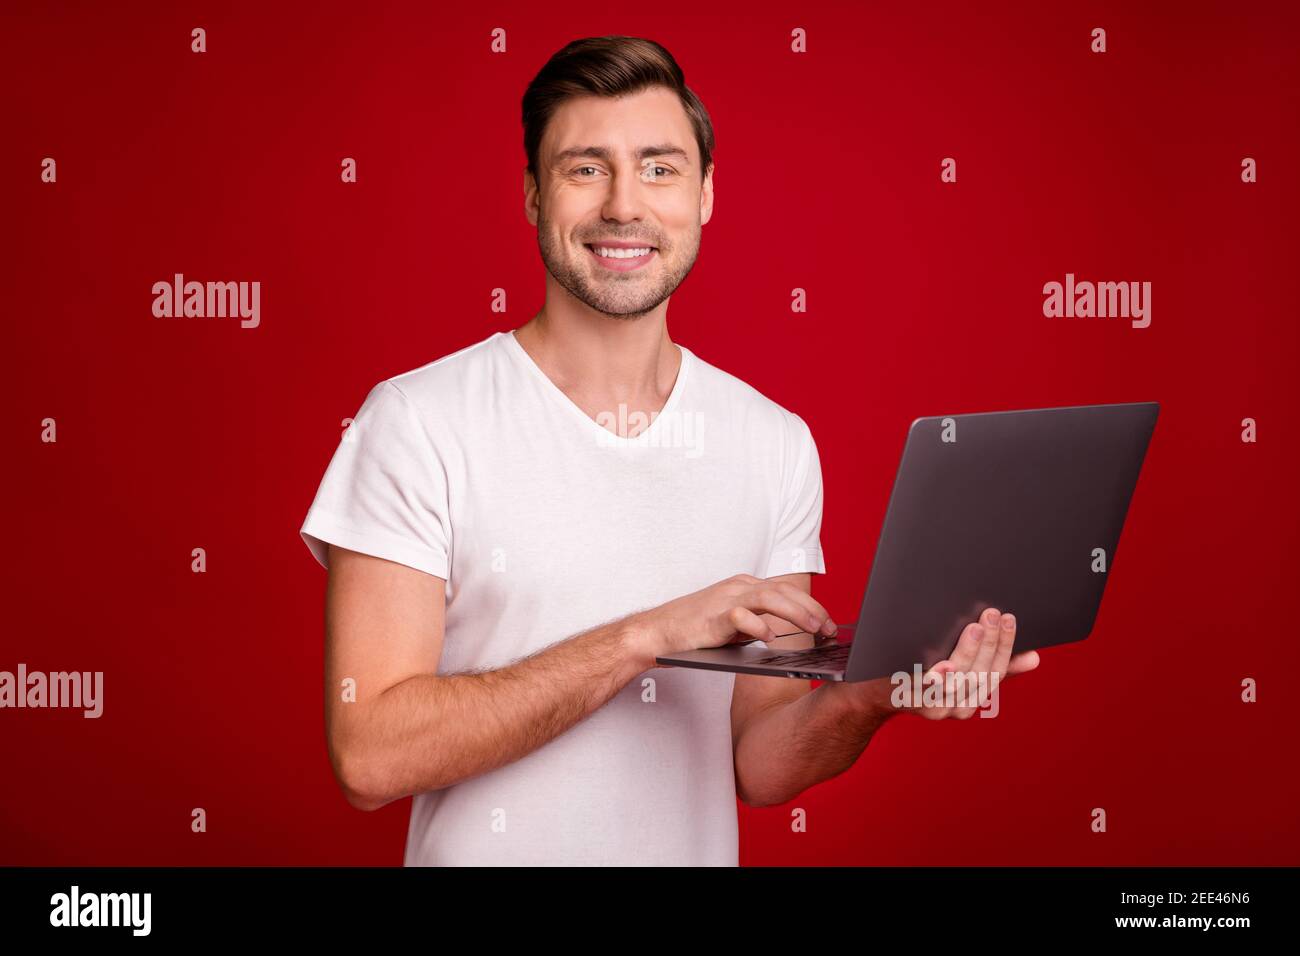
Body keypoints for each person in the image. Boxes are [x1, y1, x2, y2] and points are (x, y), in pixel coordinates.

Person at [299, 35, 1039, 866]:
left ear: (706, 194)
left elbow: (756, 761)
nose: (624, 206)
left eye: (659, 168)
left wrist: (878, 689)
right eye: (585, 168)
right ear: (534, 196)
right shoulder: (415, 422)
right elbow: (371, 757)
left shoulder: (775, 443)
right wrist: (645, 636)